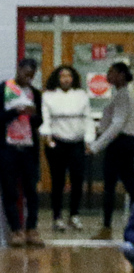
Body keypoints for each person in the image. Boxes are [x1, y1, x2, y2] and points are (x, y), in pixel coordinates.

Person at [90, 61, 134, 239]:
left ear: (121, 74)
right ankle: (109, 225)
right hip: (124, 143)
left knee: (116, 185)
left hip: (121, 143)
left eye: (111, 72)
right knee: (127, 184)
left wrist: (96, 146)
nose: (108, 75)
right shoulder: (120, 94)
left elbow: (117, 124)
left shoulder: (123, 96)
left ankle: (107, 227)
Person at [43, 65, 94, 232]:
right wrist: (47, 137)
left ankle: (74, 215)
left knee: (77, 180)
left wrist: (88, 140)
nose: (66, 79)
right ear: (57, 78)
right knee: (57, 181)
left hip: (77, 143)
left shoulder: (81, 95)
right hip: (57, 142)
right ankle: (57, 217)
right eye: (62, 76)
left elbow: (87, 119)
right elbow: (45, 118)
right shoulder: (48, 96)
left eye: (69, 76)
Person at [2, 57, 43, 247]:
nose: (28, 78)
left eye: (32, 76)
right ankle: (16, 230)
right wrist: (17, 111)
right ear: (18, 70)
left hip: (28, 148)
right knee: (10, 190)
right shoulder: (5, 88)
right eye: (26, 74)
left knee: (31, 191)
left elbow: (38, 121)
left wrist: (33, 114)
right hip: (8, 148)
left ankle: (31, 229)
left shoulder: (35, 93)